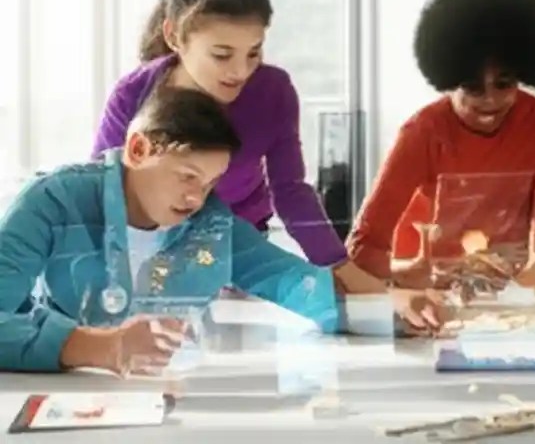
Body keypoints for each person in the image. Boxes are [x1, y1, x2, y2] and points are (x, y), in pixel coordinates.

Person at [1, 88, 446, 374]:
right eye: (188, 176)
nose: (197, 198)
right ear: (138, 149)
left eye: (211, 183)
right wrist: (101, 347)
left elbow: (294, 280)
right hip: (53, 406)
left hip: (167, 404)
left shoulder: (210, 226)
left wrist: (388, 308)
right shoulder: (51, 203)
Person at [91, 0, 382, 294]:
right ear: (174, 36)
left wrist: (341, 268)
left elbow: (290, 191)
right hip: (146, 253)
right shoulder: (134, 95)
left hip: (239, 249)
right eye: (221, 55)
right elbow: (100, 192)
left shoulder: (273, 92)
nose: (240, 71)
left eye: (254, 52)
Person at [346, 0, 535, 296]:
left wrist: (532, 270)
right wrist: (405, 273)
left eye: (504, 83)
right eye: (472, 87)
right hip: (431, 301)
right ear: (448, 77)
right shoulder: (422, 133)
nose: (491, 100)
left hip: (517, 302)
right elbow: (362, 249)